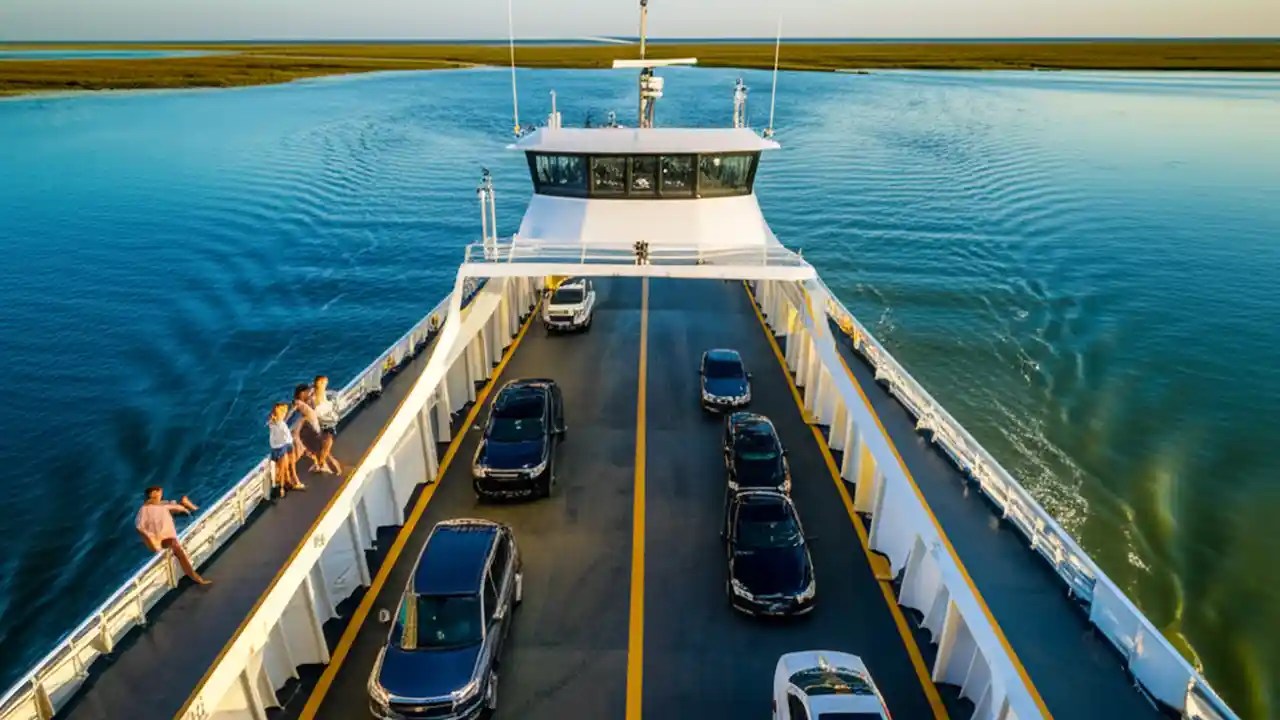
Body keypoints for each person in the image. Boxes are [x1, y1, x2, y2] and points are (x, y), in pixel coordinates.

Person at [135, 486, 210, 585]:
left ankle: (187, 504)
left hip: (164, 528)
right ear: (153, 493)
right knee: (188, 513)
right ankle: (186, 504)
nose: (161, 493)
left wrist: (182, 508)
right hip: (162, 529)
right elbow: (140, 525)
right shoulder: (148, 509)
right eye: (159, 492)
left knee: (190, 512)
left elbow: (139, 525)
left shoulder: (153, 507)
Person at [268, 402, 305, 494]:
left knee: (288, 467)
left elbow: (285, 417)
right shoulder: (277, 424)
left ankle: (289, 483)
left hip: (284, 445)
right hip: (284, 447)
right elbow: (282, 419)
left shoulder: (276, 423)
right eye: (283, 411)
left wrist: (293, 409)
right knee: (288, 467)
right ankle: (292, 483)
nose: (285, 412)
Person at [311, 375, 343, 475]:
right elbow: (317, 411)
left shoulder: (321, 394)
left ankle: (321, 463)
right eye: (324, 383)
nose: (326, 384)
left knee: (325, 446)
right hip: (324, 424)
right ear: (319, 383)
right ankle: (321, 464)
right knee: (328, 444)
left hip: (327, 421)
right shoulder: (315, 398)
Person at [292, 384, 326, 473]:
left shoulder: (306, 401)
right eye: (306, 392)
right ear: (302, 393)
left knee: (312, 446)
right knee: (311, 446)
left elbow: (312, 407)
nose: (308, 393)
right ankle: (319, 464)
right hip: (311, 425)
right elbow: (293, 411)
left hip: (312, 424)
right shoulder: (298, 402)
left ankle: (319, 464)